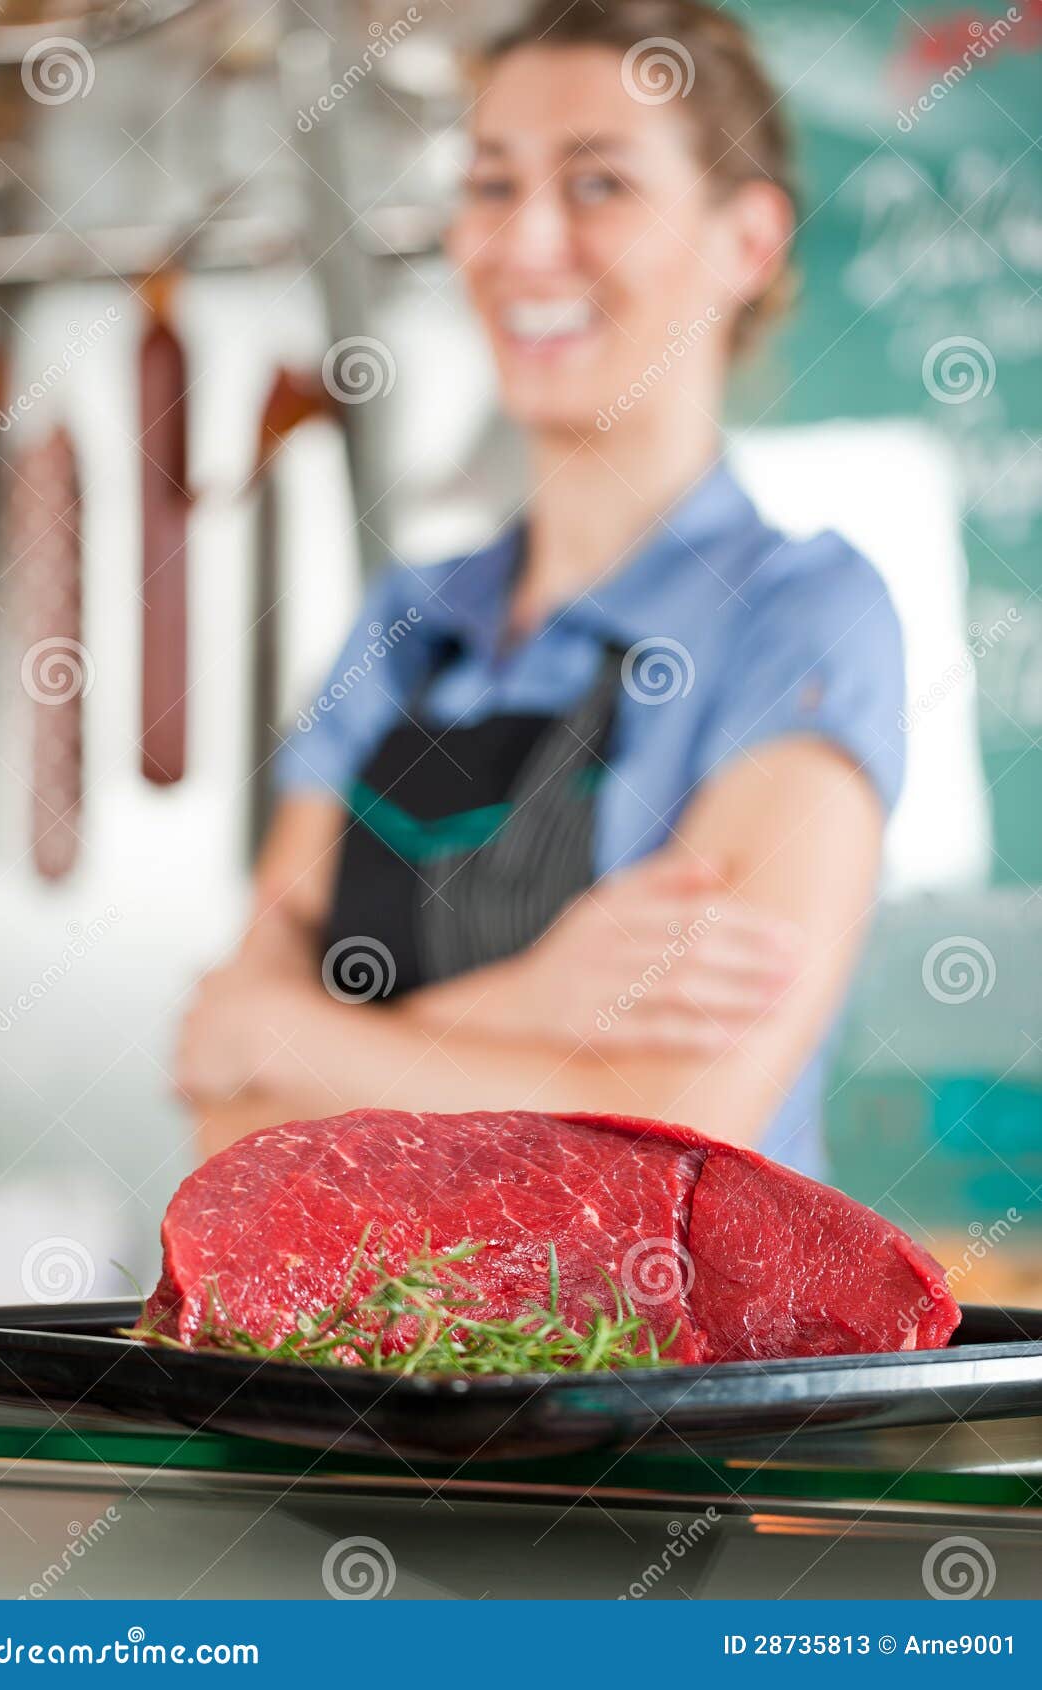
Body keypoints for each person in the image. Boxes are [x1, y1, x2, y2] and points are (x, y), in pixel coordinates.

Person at [175, 0, 904, 1178]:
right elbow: (221, 1130)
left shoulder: (798, 618)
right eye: (491, 184)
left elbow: (676, 1143)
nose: (522, 243)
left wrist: (286, 1035)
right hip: (336, 1361)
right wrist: (540, 1004)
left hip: (651, 1356)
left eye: (598, 182)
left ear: (747, 242)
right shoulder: (405, 622)